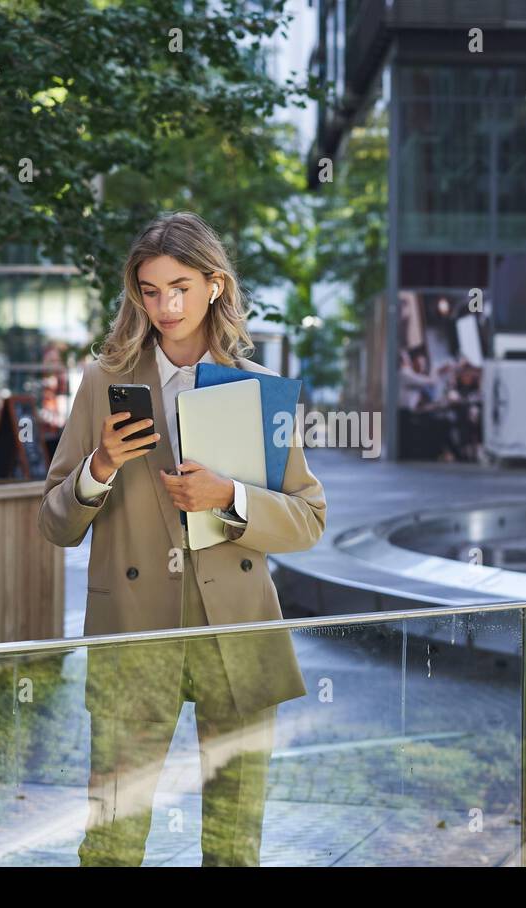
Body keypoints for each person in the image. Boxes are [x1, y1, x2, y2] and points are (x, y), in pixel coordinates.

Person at [38, 211, 327, 866]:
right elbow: (54, 522)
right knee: (112, 835)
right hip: (135, 635)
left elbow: (309, 517)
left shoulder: (256, 390)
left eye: (180, 287)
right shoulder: (105, 382)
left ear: (214, 286)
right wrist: (100, 466)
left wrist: (230, 497)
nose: (165, 305)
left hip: (238, 635)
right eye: (149, 289)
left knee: (234, 841)